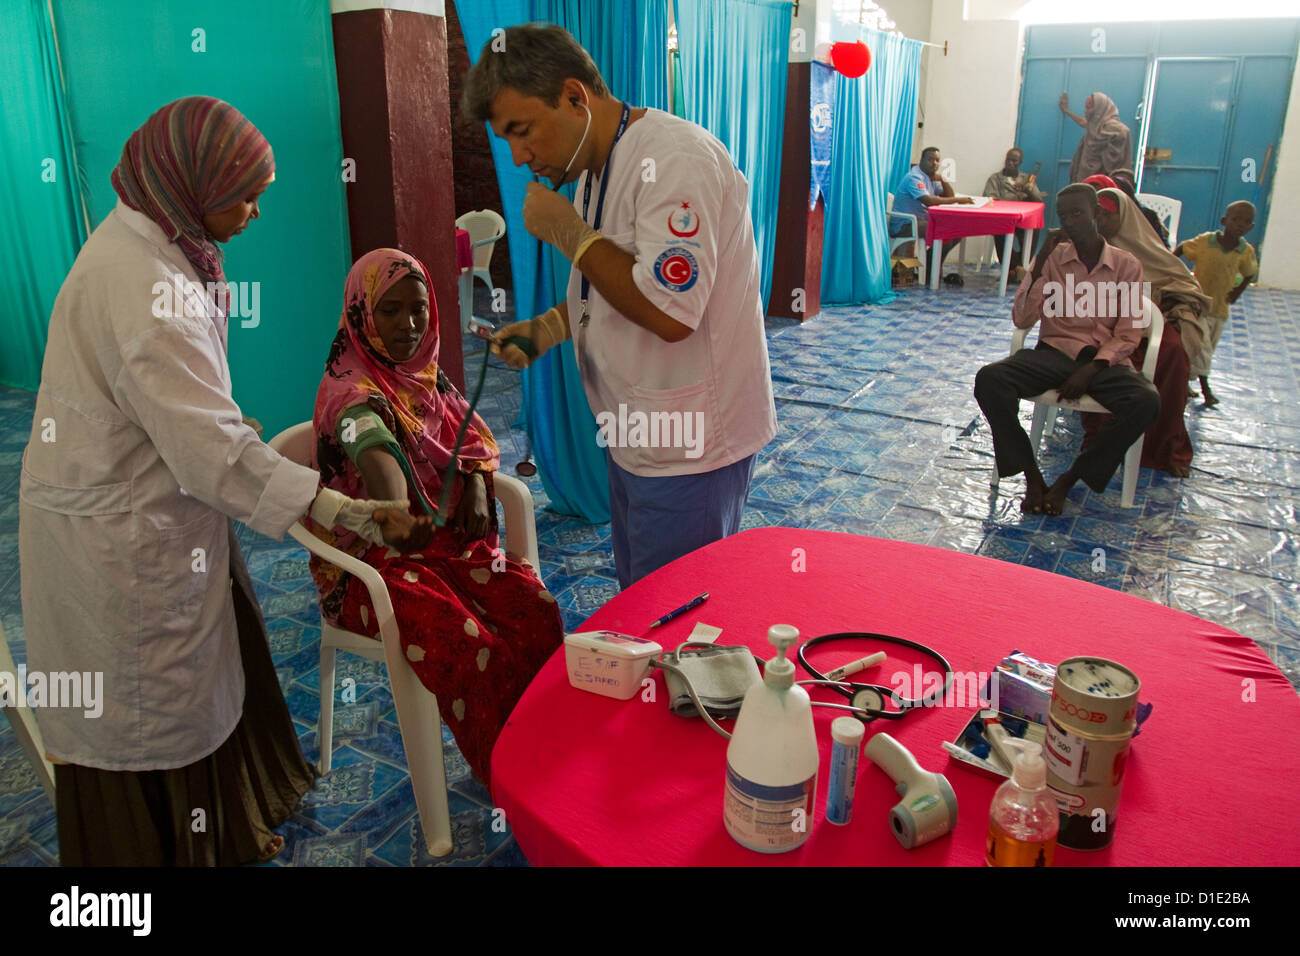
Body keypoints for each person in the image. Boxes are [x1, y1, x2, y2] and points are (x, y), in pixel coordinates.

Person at [17, 97, 419, 866]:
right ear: (190, 183)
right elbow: (213, 455)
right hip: (124, 538)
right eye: (245, 194)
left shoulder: (160, 243)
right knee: (151, 715)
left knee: (197, 683)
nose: (258, 211)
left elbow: (192, 425)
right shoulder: (141, 285)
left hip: (145, 495)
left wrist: (215, 438)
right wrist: (349, 512)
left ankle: (223, 829)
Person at [462, 23, 776, 588]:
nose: (517, 156)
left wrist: (570, 235)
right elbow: (608, 282)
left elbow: (671, 313)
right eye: (505, 138)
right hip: (637, 432)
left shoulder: (676, 159)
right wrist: (550, 328)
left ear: (575, 97)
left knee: (680, 620)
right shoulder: (594, 166)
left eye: (523, 130)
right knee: (642, 599)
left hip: (690, 442)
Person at [305, 248, 565, 785]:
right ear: (360, 315)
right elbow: (371, 446)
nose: (409, 324)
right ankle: (508, 775)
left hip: (439, 545)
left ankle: (541, 743)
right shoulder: (349, 393)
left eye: (418, 308)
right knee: (469, 645)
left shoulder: (421, 375)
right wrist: (395, 506)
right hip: (369, 562)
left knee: (534, 609)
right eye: (390, 311)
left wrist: (474, 483)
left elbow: (467, 437)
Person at [974, 185, 1158, 515]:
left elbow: (1130, 333)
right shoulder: (1053, 258)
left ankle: (1069, 480)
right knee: (990, 379)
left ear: (1097, 216)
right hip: (1052, 354)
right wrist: (1042, 258)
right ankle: (1032, 478)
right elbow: (1023, 317)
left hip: (1100, 362)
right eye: (1063, 216)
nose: (1070, 222)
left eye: (1077, 213)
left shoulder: (1126, 266)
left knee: (1146, 400)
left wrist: (1094, 367)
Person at [1086, 186, 1213, 476]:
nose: (1101, 223)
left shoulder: (1148, 248)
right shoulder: (1089, 247)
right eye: (1097, 216)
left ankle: (1163, 446)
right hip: (1104, 326)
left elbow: (1183, 284)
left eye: (1108, 216)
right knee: (1104, 356)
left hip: (1148, 321)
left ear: (1125, 217)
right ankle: (1105, 443)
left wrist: (1164, 301)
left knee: (1171, 354)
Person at [1174, 201, 1259, 406]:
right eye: (1236, 219)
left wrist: (1237, 292)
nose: (1240, 224)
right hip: (1196, 305)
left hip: (1219, 309)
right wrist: (1173, 271)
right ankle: (1206, 390)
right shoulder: (1205, 242)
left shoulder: (1244, 251)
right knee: (1202, 349)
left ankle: (1185, 382)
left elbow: (1250, 273)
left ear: (1251, 228)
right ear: (1224, 221)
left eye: (1246, 222)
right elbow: (1182, 250)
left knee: (1206, 347)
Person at [894, 146, 975, 285]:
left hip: (920, 222)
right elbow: (929, 201)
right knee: (944, 231)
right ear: (921, 160)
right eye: (930, 159)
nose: (934, 163)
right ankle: (931, 270)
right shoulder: (915, 177)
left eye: (937, 160)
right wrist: (959, 200)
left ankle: (932, 265)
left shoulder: (930, 178)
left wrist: (943, 179)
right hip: (905, 224)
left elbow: (948, 195)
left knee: (957, 231)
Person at [983, 147, 1046, 279]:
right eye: (1008, 160)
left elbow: (1038, 199)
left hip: (1023, 220)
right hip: (1004, 219)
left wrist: (1027, 190)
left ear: (1020, 162)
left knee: (1035, 228)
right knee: (999, 229)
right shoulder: (995, 179)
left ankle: (1020, 266)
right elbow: (989, 198)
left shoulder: (1027, 179)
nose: (1010, 163)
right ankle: (1014, 268)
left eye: (1014, 161)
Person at [1061, 92, 1132, 183]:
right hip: (1086, 178)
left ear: (1100, 108)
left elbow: (1123, 132)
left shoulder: (1115, 128)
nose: (1086, 111)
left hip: (1104, 183)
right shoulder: (1095, 124)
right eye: (1086, 107)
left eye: (1089, 107)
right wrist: (1066, 110)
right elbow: (1082, 122)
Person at [1110, 168, 1170, 248]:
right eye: (1113, 185)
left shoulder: (1147, 215)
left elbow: (1163, 247)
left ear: (1133, 187)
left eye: (1124, 184)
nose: (1119, 189)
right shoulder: (1104, 214)